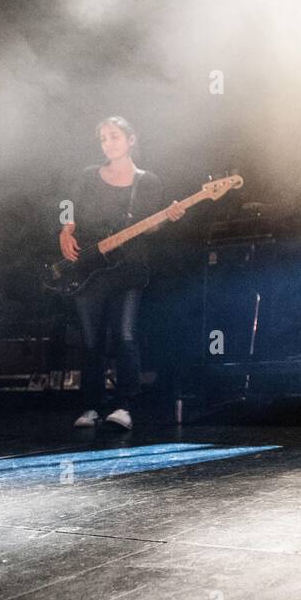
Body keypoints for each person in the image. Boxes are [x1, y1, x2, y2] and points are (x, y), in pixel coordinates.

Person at [58, 116, 185, 431]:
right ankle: (90, 406)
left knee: (125, 335)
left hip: (129, 267)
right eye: (102, 138)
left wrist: (168, 217)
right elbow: (68, 206)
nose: (107, 143)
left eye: (113, 136)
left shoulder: (148, 181)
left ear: (130, 140)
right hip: (90, 267)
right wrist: (65, 231)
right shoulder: (87, 177)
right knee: (91, 341)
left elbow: (151, 226)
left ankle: (124, 407)